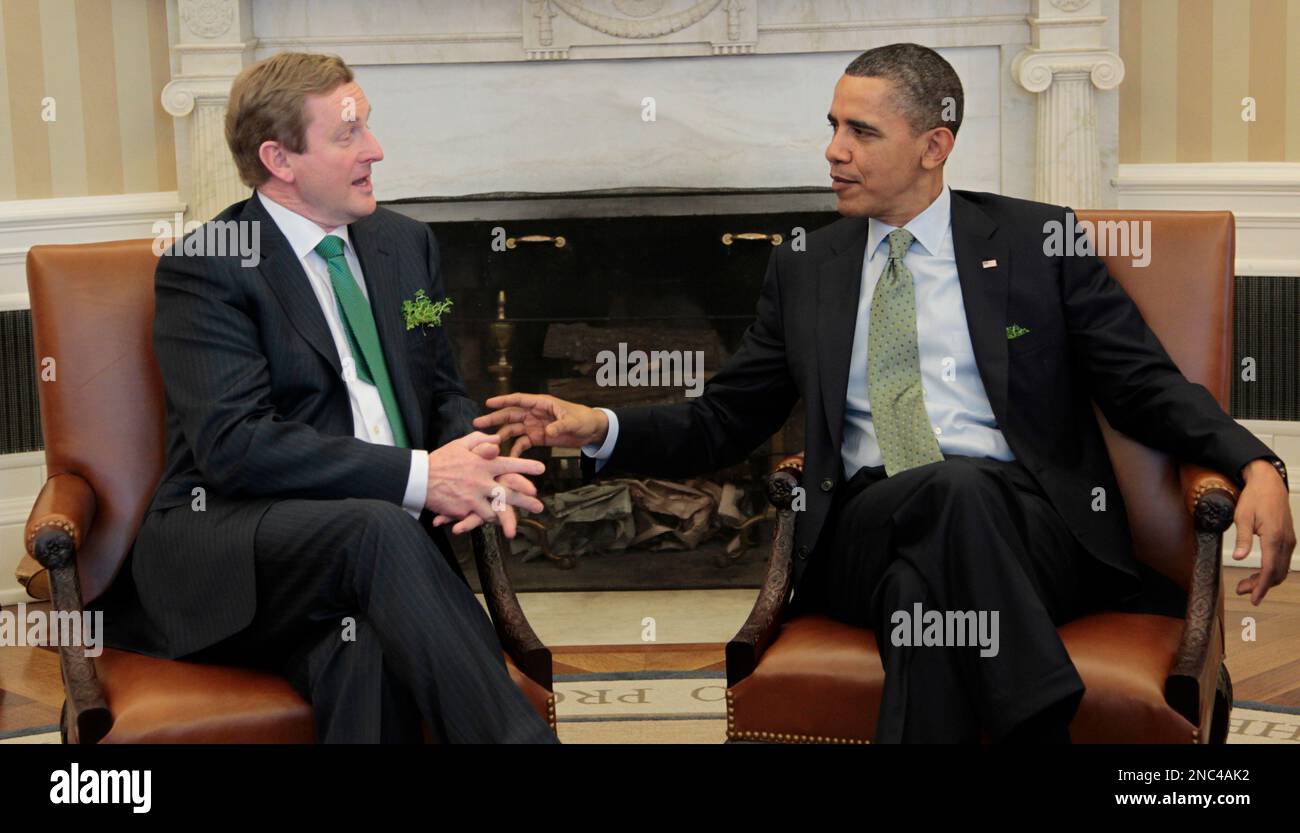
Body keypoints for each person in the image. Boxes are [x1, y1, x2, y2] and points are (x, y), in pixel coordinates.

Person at [473, 43, 1295, 743]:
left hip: (1033, 532)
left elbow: (1144, 384)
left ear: (934, 146)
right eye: (832, 126)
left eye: (861, 131)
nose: (834, 150)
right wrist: (601, 425)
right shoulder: (808, 266)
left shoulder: (1037, 241)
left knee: (924, 580)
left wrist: (1255, 462)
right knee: (946, 494)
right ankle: (1038, 711)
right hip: (864, 524)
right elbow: (727, 419)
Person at [94, 52, 556, 743]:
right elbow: (235, 447)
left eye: (367, 125)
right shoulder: (209, 265)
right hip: (239, 545)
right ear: (280, 158)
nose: (375, 149)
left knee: (362, 651)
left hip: (366, 566)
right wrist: (426, 476)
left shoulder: (408, 246)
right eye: (348, 135)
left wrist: (478, 461)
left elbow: (442, 392)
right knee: (377, 525)